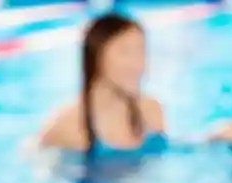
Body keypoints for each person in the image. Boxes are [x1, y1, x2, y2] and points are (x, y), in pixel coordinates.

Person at [38, 13, 165, 154]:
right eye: (125, 52)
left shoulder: (151, 111)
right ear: (96, 56)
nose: (139, 64)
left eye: (141, 51)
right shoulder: (68, 125)